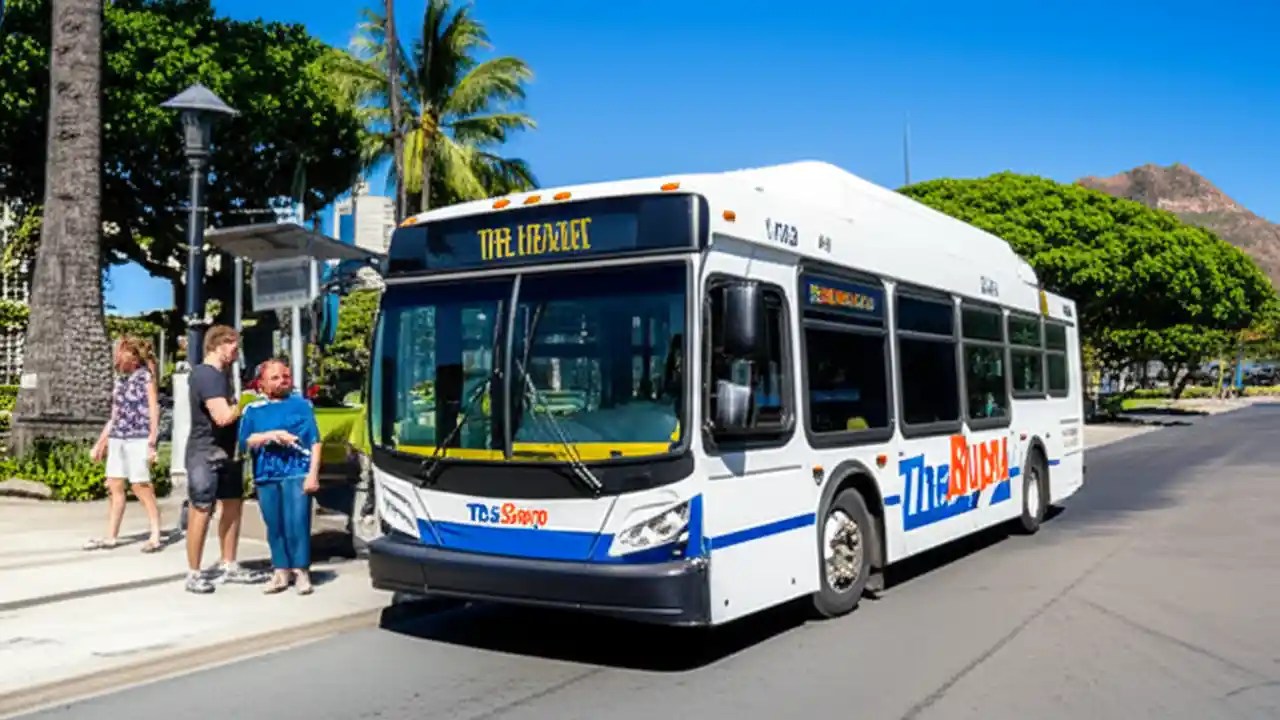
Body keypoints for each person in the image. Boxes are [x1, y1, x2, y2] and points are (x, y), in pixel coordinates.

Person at [184, 325, 266, 594]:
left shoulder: (221, 375)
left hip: (227, 450)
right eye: (232, 345)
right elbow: (222, 416)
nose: (236, 351)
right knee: (201, 508)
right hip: (205, 452)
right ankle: (194, 572)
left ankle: (229, 564)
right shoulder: (208, 375)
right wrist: (247, 402)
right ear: (217, 345)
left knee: (232, 504)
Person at [238, 359, 322, 594]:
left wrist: (313, 474)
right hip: (266, 474)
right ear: (262, 383)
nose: (282, 381)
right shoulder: (253, 410)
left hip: (297, 471)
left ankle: (301, 570)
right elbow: (245, 441)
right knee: (274, 524)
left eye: (285, 376)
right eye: (274, 377)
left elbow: (315, 441)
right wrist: (272, 435)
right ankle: (280, 570)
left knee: (297, 522)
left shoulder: (301, 405)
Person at [84, 336, 162, 552]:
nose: (116, 357)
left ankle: (155, 533)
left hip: (138, 437)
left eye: (121, 352)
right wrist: (100, 443)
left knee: (140, 486)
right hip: (118, 437)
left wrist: (152, 441)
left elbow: (153, 409)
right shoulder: (119, 381)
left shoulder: (145, 377)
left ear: (133, 357)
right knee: (114, 485)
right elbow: (114, 416)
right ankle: (111, 535)